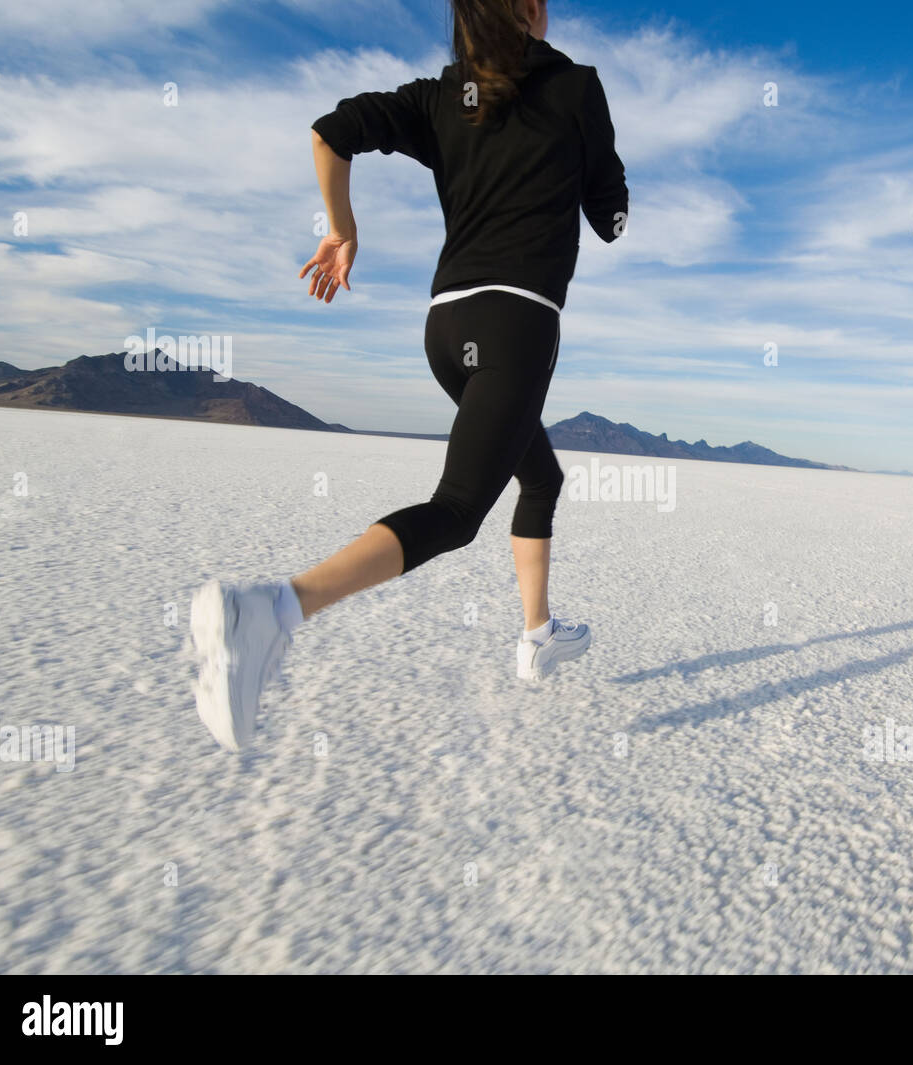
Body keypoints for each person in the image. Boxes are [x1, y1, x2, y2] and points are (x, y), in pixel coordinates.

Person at [190, 0, 628, 752]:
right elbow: (610, 217)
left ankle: (537, 635)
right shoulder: (576, 86)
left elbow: (331, 131)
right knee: (457, 511)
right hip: (518, 322)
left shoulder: (444, 94)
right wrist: (600, 184)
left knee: (540, 477)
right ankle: (272, 609)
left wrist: (341, 230)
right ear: (530, 9)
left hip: (447, 329)